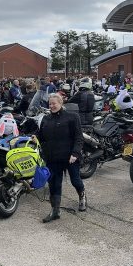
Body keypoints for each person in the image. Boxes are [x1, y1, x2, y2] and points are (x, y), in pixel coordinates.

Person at [38, 93, 86, 223]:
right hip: (53, 157)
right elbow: (40, 136)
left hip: (70, 156)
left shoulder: (72, 117)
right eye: (50, 104)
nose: (52, 106)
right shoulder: (46, 119)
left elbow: (79, 137)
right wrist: (33, 137)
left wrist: (75, 153)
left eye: (54, 103)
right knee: (54, 184)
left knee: (75, 180)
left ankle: (82, 196)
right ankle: (55, 211)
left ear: (61, 103)